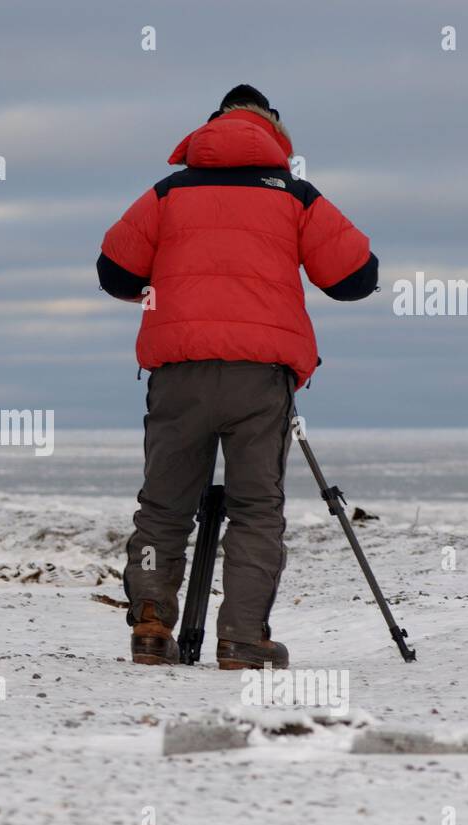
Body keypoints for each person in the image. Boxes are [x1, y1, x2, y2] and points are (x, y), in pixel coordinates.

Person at [97, 84, 378, 669]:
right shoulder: (294, 195)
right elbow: (355, 277)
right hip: (259, 378)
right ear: (276, 136)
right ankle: (242, 637)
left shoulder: (168, 192)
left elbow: (115, 272)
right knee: (256, 508)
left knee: (165, 505)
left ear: (207, 131)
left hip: (179, 372)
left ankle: (150, 619)